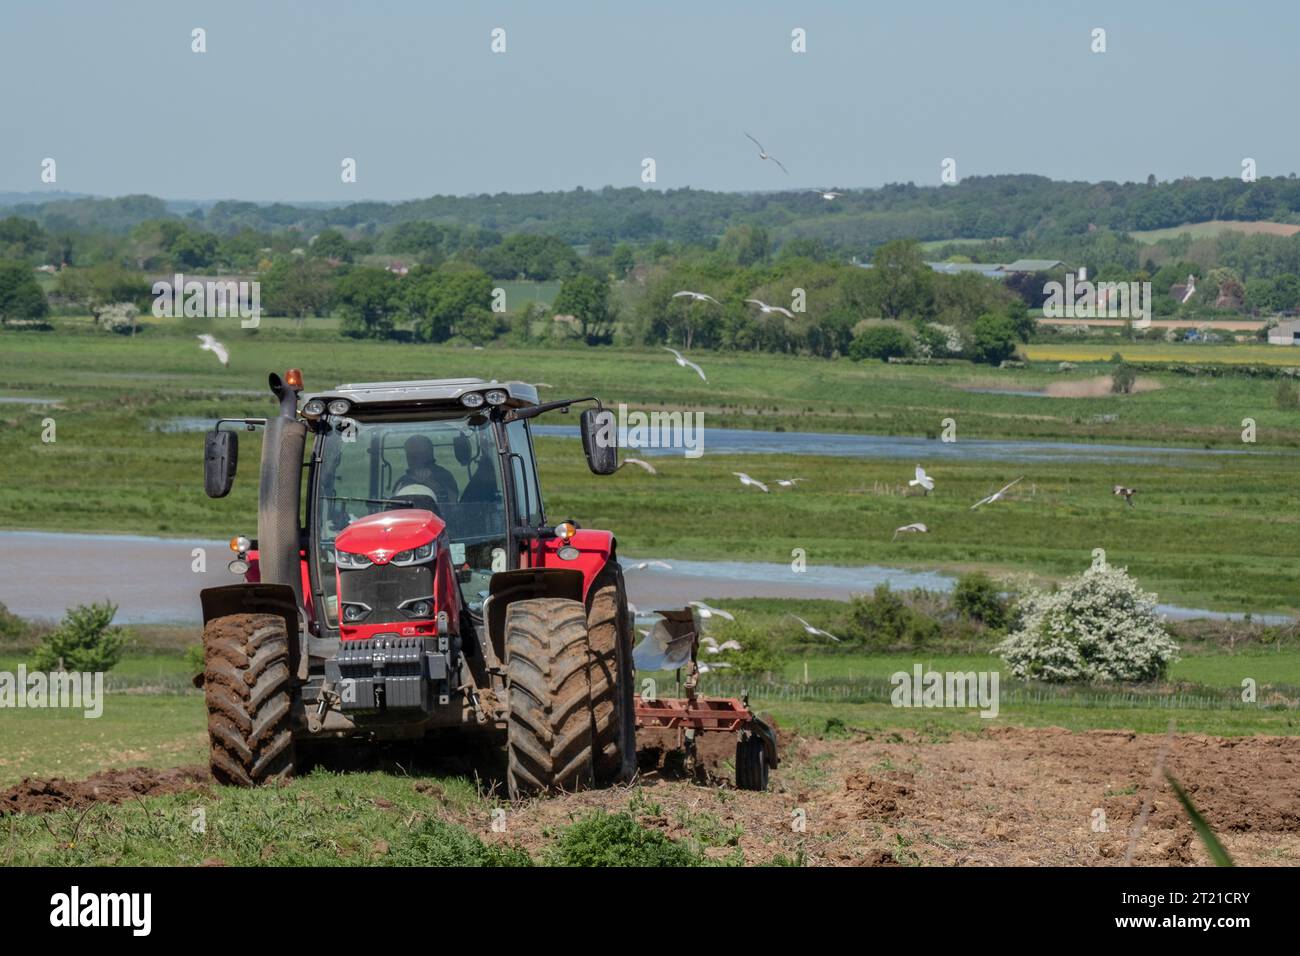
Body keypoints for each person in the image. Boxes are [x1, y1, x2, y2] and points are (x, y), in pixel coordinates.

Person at [393, 434, 459, 509]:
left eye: (420, 454)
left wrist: (432, 484)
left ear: (430, 454)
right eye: (411, 455)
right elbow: (392, 507)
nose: (415, 459)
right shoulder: (402, 481)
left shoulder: (445, 477)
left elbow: (453, 505)